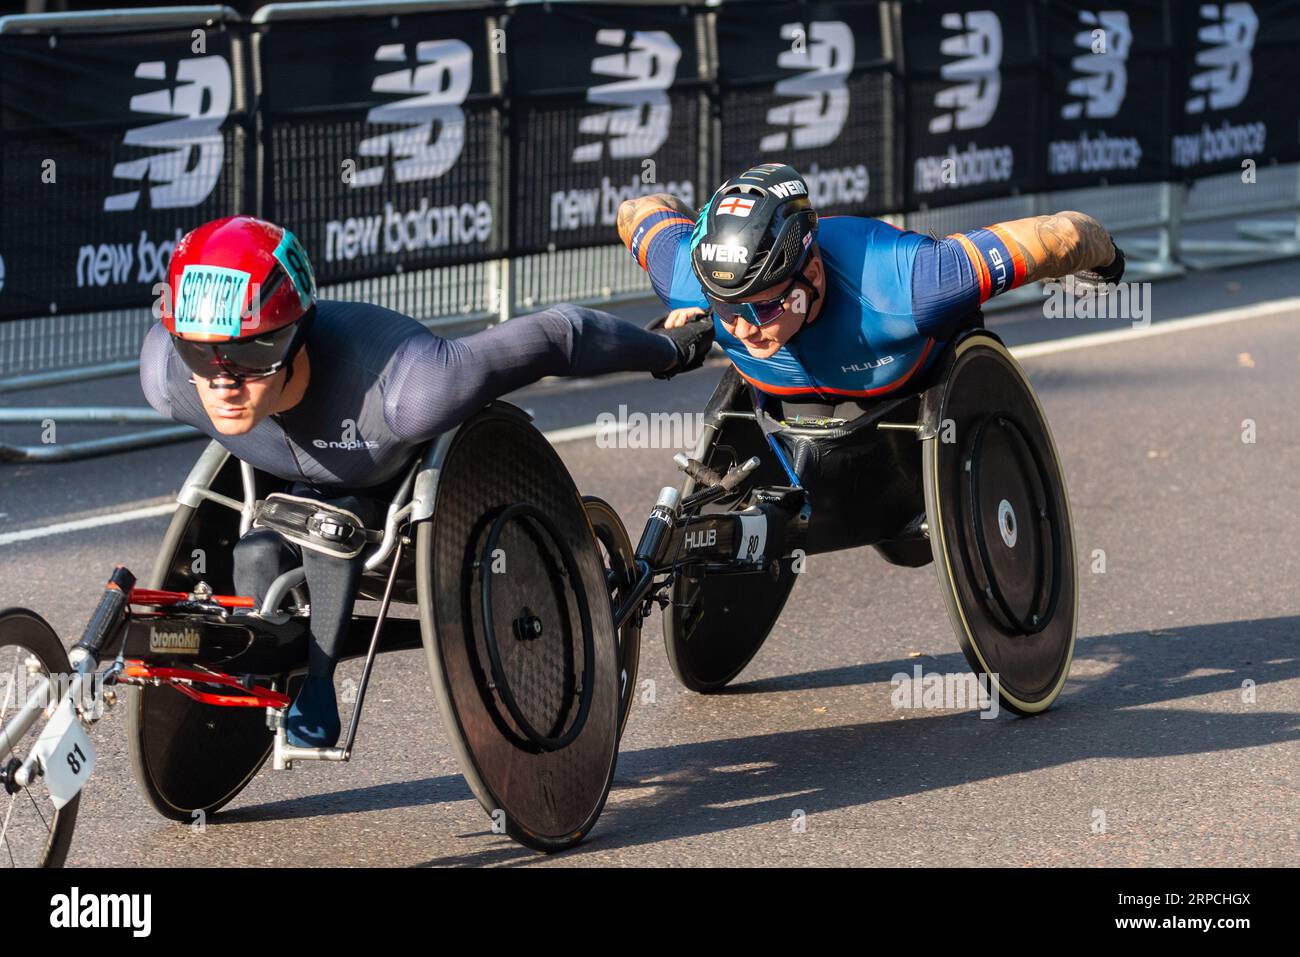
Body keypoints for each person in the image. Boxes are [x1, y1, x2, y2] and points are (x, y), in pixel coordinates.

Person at [141, 214, 713, 748]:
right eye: (200, 354)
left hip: (388, 483)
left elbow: (554, 336)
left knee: (329, 526)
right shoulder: (167, 377)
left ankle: (317, 680)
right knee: (258, 552)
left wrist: (663, 350)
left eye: (251, 351)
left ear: (295, 333)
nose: (222, 381)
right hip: (284, 494)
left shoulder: (413, 389)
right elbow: (209, 362)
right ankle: (259, 669)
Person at [616, 161, 1124, 399]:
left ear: (811, 274)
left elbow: (1061, 239)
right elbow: (638, 211)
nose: (745, 329)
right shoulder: (692, 275)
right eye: (730, 307)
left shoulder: (911, 284)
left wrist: (1109, 263)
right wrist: (690, 254)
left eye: (766, 308)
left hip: (910, 382)